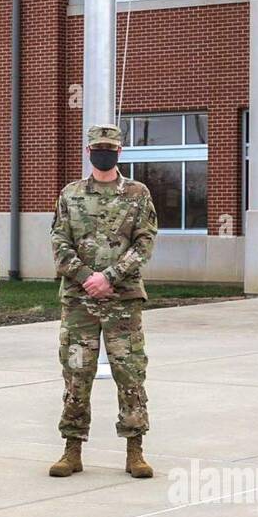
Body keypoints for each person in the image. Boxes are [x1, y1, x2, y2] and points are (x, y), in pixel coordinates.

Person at [48, 124, 158, 479]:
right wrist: (86, 278)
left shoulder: (138, 194)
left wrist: (108, 277)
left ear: (119, 152)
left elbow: (144, 244)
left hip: (122, 301)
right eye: (98, 148)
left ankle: (134, 450)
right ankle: (72, 448)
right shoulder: (70, 194)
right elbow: (59, 243)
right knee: (77, 374)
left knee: (130, 374)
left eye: (110, 148)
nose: (104, 153)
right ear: (88, 151)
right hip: (80, 303)